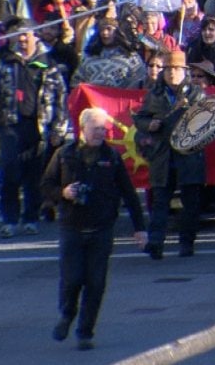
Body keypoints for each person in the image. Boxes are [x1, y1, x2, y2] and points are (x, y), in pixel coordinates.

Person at [42, 107, 147, 351]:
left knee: (96, 282)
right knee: (72, 279)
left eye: (104, 128)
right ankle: (68, 314)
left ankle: (85, 331)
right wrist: (63, 193)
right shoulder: (64, 154)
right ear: (83, 128)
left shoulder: (111, 156)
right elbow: (45, 185)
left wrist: (140, 229)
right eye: (97, 128)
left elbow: (129, 194)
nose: (102, 132)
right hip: (72, 227)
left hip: (101, 228)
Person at [0, 18, 69, 238]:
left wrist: (59, 129)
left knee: (34, 176)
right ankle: (9, 219)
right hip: (9, 125)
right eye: (19, 35)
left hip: (39, 128)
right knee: (9, 173)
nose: (23, 39)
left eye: (27, 34)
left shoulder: (48, 63)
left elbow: (60, 98)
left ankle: (30, 218)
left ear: (35, 36)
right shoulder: (5, 62)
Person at [132, 50, 206, 258]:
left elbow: (208, 123)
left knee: (190, 203)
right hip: (162, 154)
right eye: (169, 69)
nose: (172, 73)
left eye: (176, 69)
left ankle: (187, 243)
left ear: (185, 71)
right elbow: (140, 119)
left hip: (189, 154)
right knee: (160, 201)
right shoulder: (154, 94)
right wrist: (150, 124)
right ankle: (156, 242)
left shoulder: (196, 94)